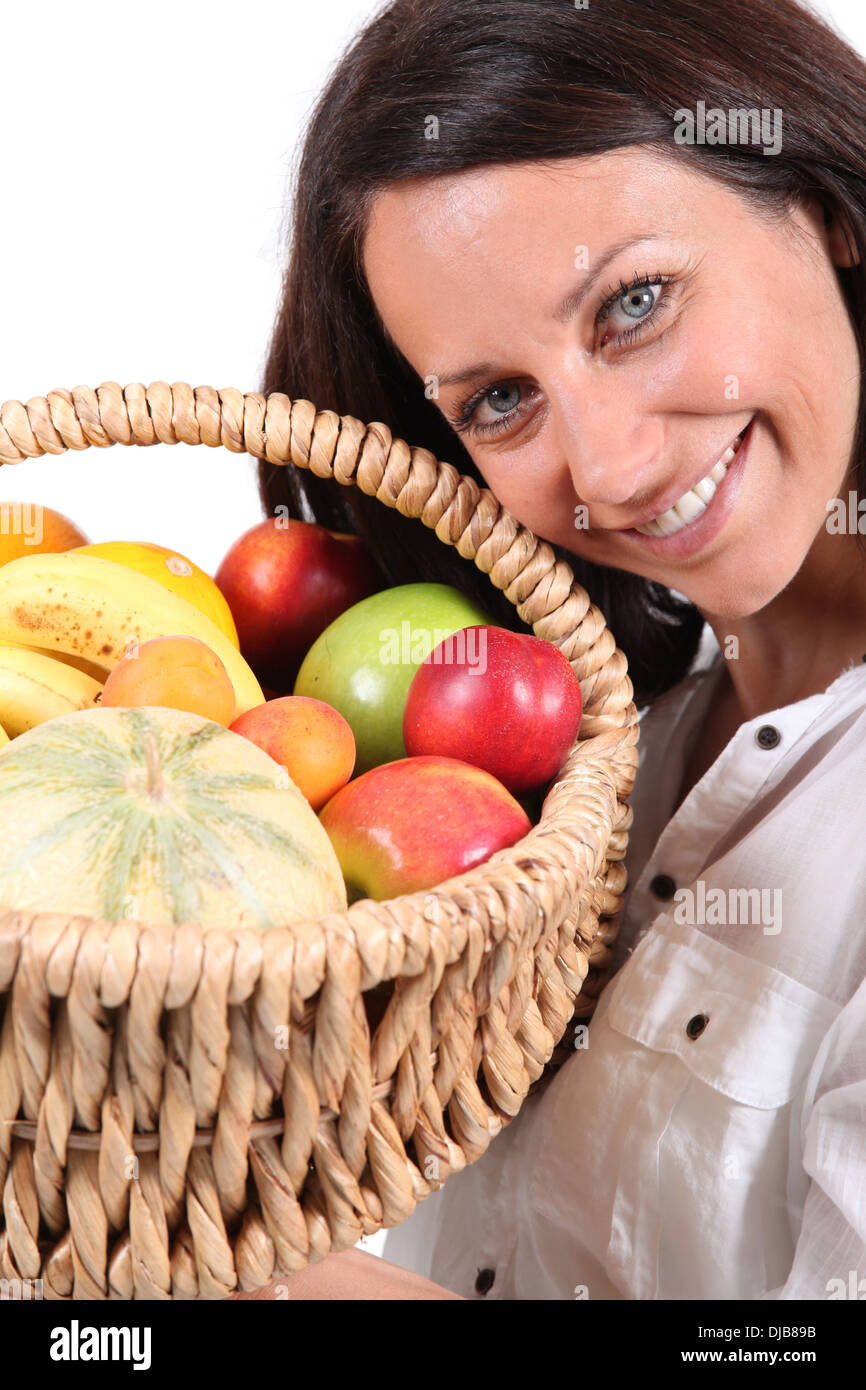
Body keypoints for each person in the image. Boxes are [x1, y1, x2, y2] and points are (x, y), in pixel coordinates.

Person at [238, 0, 866, 1299]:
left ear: (826, 206)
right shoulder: (578, 783)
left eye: (633, 303)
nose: (608, 465)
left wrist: (239, 1267)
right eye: (499, 401)